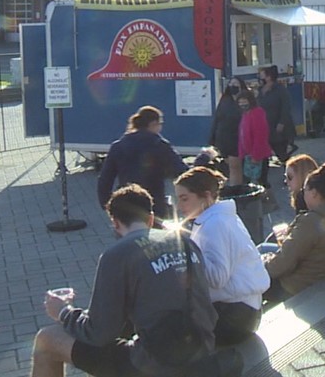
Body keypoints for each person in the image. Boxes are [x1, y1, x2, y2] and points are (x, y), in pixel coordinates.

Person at [31, 184, 217, 377]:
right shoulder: (186, 242)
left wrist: (63, 312)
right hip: (201, 350)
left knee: (47, 339)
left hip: (156, 364)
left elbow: (99, 333)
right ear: (151, 218)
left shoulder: (117, 255)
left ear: (115, 223)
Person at [175, 167, 269, 345]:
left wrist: (186, 250)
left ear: (206, 196)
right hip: (247, 310)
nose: (179, 207)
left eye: (184, 199)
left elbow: (217, 278)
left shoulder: (215, 224)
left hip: (234, 315)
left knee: (172, 330)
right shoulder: (221, 217)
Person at [264, 163, 325, 304]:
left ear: (314, 193)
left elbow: (284, 262)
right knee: (264, 250)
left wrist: (262, 266)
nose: (303, 194)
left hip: (298, 286)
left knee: (256, 265)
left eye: (305, 190)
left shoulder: (310, 222)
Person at [98, 106, 187, 220]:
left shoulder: (118, 146)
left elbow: (105, 178)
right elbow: (181, 171)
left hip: (127, 203)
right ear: (153, 124)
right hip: (154, 204)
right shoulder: (160, 145)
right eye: (160, 124)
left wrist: (106, 203)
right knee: (154, 230)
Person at [209, 77, 245, 185]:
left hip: (239, 138)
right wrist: (212, 139)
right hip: (224, 138)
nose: (233, 86)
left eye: (236, 84)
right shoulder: (225, 100)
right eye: (231, 84)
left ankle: (237, 186)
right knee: (231, 167)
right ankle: (235, 187)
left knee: (237, 167)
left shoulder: (245, 101)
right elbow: (217, 119)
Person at [257, 65, 294, 169]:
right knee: (263, 153)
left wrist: (282, 122)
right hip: (263, 127)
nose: (260, 77)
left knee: (281, 152)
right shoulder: (260, 90)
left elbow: (286, 107)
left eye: (262, 75)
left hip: (276, 127)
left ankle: (290, 169)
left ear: (268, 77)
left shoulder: (280, 90)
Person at [237, 89, 274, 186]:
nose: (242, 104)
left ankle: (268, 196)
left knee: (261, 183)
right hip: (247, 156)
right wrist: (241, 154)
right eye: (240, 102)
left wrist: (256, 155)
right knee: (248, 183)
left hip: (258, 155)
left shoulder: (257, 113)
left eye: (244, 101)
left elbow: (261, 136)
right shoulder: (245, 114)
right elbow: (242, 135)